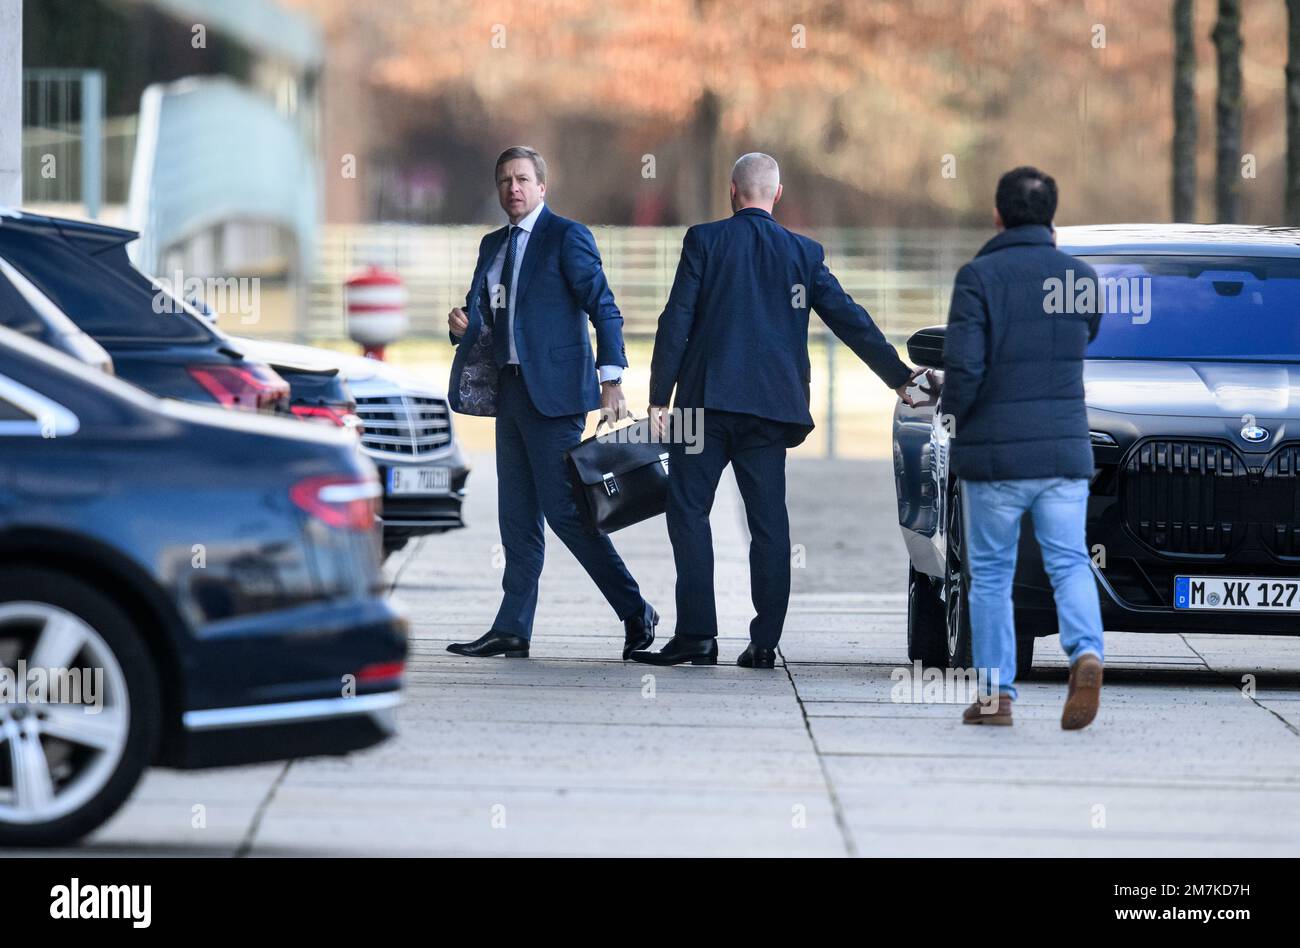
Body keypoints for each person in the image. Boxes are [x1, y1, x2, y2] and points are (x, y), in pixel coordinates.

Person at [631, 153, 928, 669]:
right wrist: (899, 378)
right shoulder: (802, 253)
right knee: (769, 525)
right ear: (777, 194)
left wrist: (660, 397)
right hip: (769, 411)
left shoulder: (704, 241)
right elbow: (849, 319)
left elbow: (674, 319)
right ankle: (764, 642)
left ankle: (698, 635)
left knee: (688, 513)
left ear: (732, 191)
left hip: (704, 406)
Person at [445, 146, 657, 660]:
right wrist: (464, 328)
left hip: (557, 396)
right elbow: (489, 320)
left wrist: (612, 380)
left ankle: (635, 610)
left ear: (542, 186)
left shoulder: (567, 237)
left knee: (566, 512)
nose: (512, 188)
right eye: (504, 181)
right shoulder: (492, 245)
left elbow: (604, 308)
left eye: (522, 179)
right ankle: (512, 628)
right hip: (510, 392)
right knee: (515, 517)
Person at [942, 166, 1104, 729]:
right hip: (1063, 455)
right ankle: (1086, 654)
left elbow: (965, 368)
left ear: (997, 213)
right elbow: (1088, 334)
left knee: (990, 575)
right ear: (1051, 216)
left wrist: (949, 411)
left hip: (995, 458)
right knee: (1069, 561)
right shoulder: (1080, 278)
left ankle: (996, 697)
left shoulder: (979, 277)